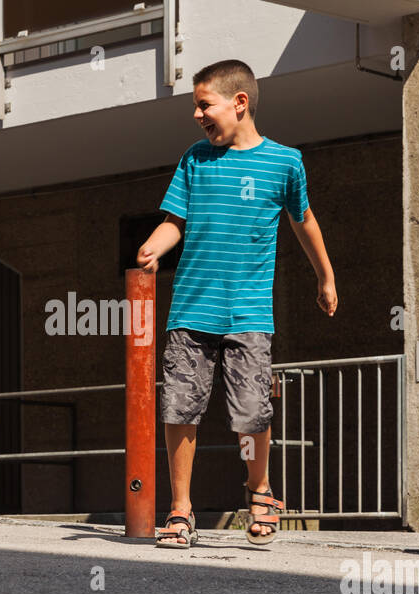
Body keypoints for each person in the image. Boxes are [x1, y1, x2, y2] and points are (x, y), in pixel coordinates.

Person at [136, 59, 337, 548]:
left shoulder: (284, 163)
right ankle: (181, 510)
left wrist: (326, 277)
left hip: (249, 312)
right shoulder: (194, 160)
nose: (197, 115)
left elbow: (303, 221)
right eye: (195, 107)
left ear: (239, 103)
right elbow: (175, 221)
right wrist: (152, 247)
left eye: (204, 105)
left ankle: (259, 490)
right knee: (179, 406)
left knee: (251, 411)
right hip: (190, 309)